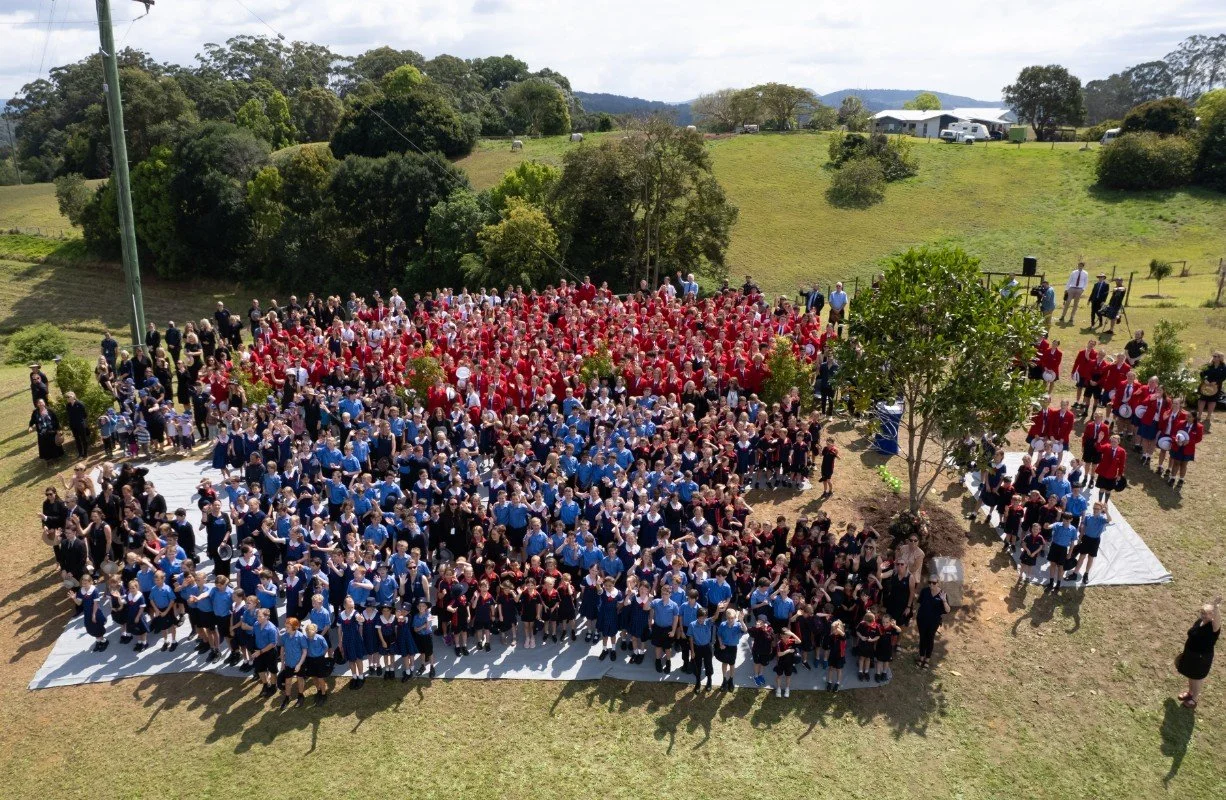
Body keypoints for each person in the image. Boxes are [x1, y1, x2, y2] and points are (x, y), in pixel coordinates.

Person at [1176, 596, 1221, 710]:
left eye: (1207, 613)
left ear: (1212, 616)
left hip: (1201, 658)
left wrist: (1215, 607)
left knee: (1197, 678)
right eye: (1202, 612)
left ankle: (1194, 699)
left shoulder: (1213, 627)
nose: (1203, 615)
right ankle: (1190, 693)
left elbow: (1218, 620)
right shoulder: (1199, 621)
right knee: (1191, 675)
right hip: (1191, 654)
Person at [914, 577, 950, 669]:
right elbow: (920, 603)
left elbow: (948, 610)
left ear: (938, 583)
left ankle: (927, 659)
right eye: (929, 582)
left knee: (930, 638)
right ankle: (921, 657)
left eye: (934, 583)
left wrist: (944, 600)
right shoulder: (925, 591)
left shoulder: (942, 594)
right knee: (922, 637)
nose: (931, 584)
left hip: (934, 621)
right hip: (922, 619)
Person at [29, 399, 64, 463]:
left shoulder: (50, 410)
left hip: (52, 431)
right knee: (45, 446)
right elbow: (32, 421)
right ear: (37, 404)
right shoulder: (35, 412)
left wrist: (59, 429)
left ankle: (57, 458)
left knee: (54, 444)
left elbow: (56, 420)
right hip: (42, 433)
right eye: (39, 403)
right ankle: (48, 460)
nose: (40, 404)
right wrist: (30, 427)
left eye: (41, 402)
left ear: (44, 403)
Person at [1197, 352, 1225, 432]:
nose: (1213, 357)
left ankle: (1208, 417)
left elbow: (1224, 377)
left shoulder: (1223, 367)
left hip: (1215, 387)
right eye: (1213, 356)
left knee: (1212, 401)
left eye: (1215, 356)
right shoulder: (1209, 365)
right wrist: (1204, 379)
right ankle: (1199, 415)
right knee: (1202, 399)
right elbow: (1202, 373)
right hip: (1205, 386)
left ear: (1220, 358)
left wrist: (1216, 382)